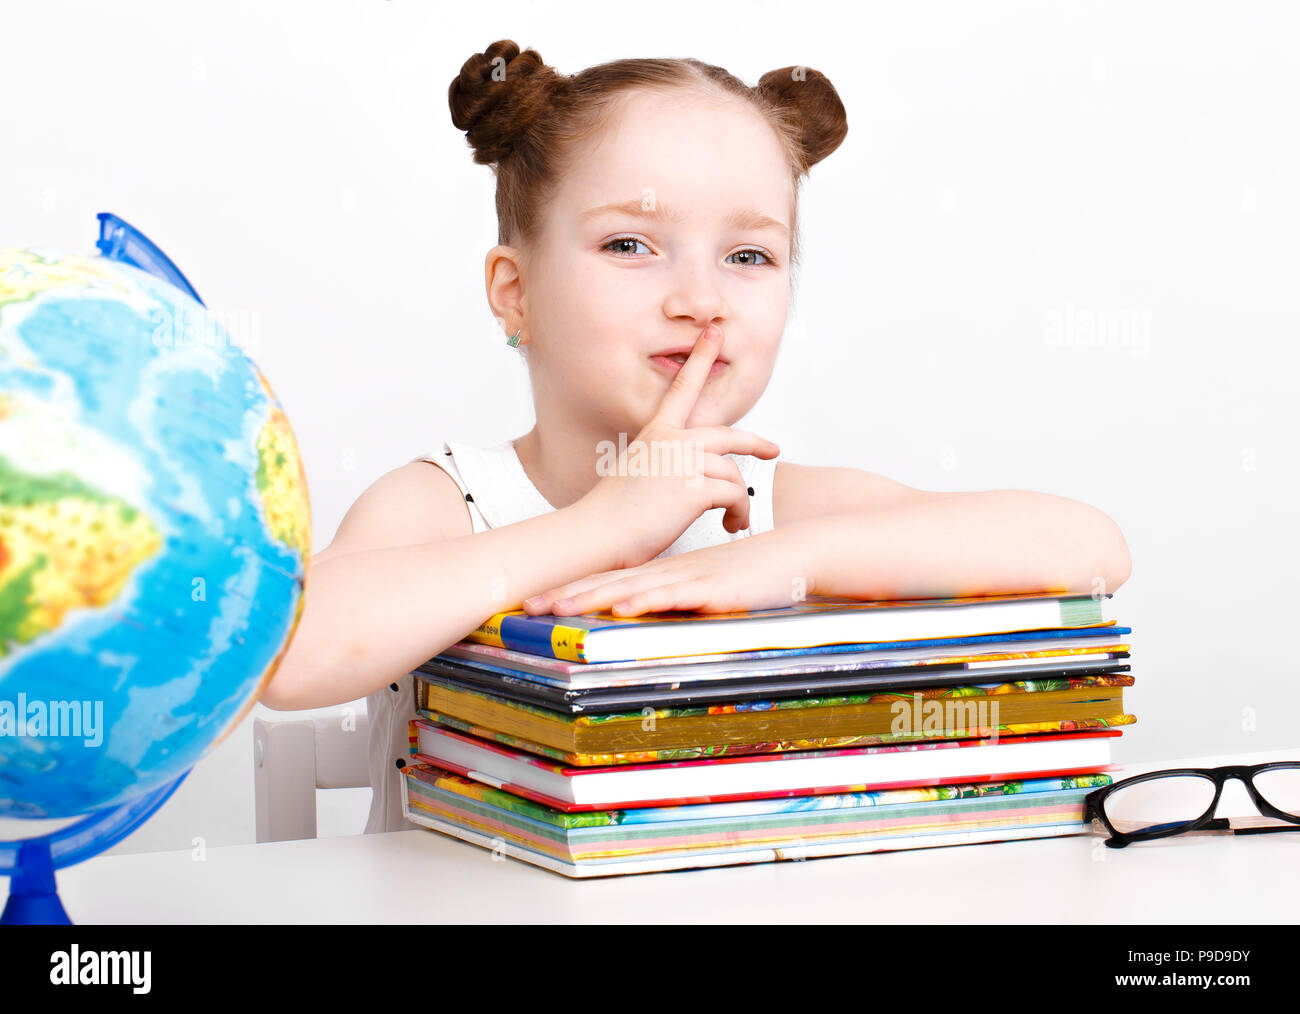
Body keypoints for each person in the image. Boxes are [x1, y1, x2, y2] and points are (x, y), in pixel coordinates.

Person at [261, 40, 1133, 835]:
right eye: (632, 243)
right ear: (514, 292)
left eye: (748, 256)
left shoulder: (770, 506)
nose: (702, 298)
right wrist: (604, 524)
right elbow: (289, 656)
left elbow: (1088, 545)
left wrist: (778, 563)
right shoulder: (448, 500)